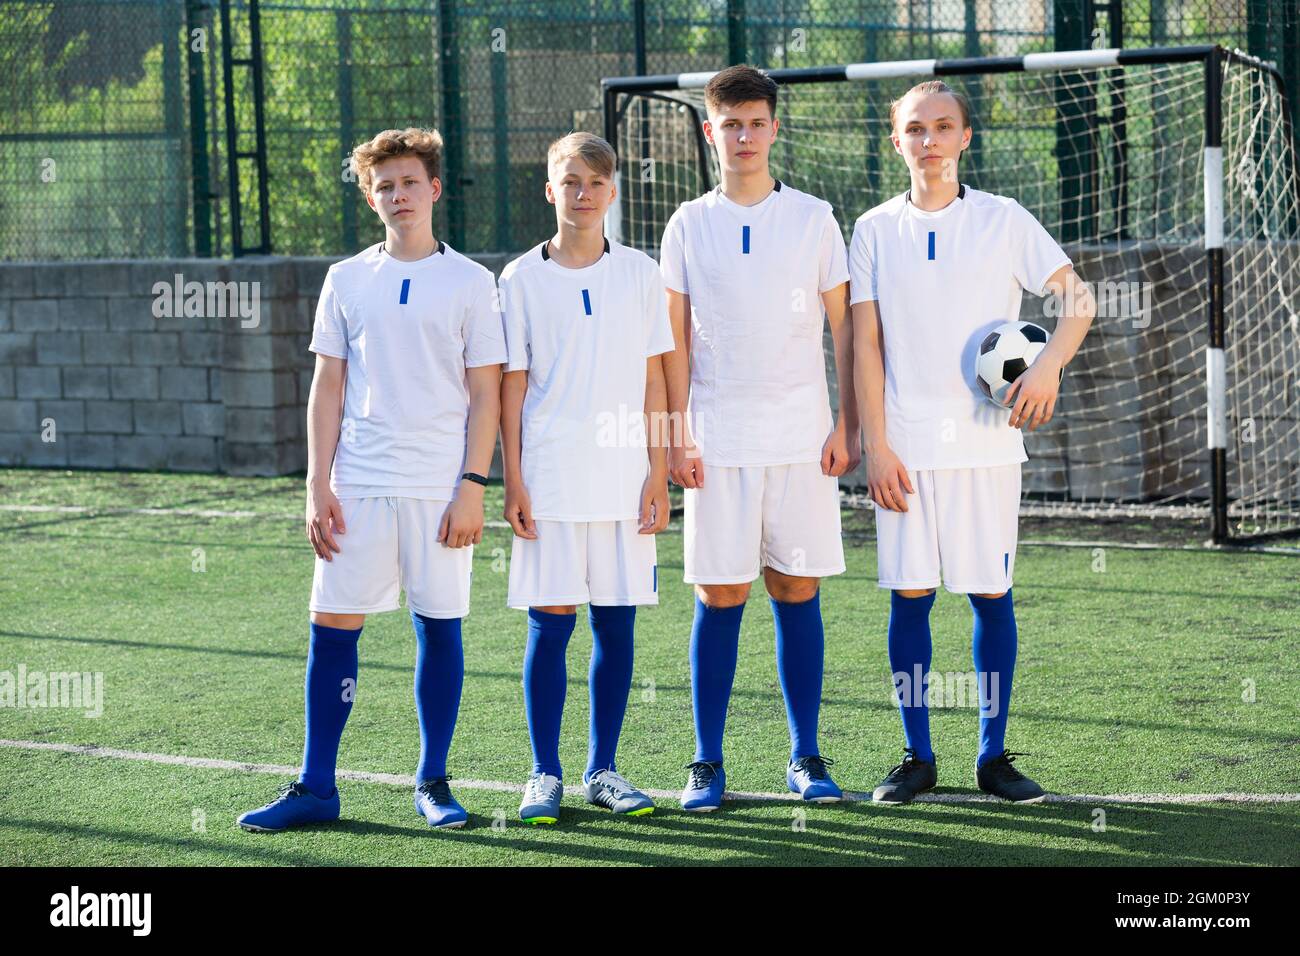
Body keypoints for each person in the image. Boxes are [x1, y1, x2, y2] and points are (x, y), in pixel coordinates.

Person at [237, 127, 505, 832]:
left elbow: (487, 395)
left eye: (410, 182)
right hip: (357, 482)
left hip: (439, 486)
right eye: (384, 185)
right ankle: (317, 787)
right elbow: (327, 388)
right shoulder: (347, 279)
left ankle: (434, 782)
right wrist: (315, 484)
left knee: (438, 626)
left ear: (434, 189)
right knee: (333, 627)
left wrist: (474, 483)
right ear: (369, 196)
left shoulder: (474, 284)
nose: (398, 195)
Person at [849, 81, 1096, 804]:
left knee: (991, 593)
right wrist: (876, 444)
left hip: (988, 442)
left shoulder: (1003, 219)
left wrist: (1048, 365)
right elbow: (865, 344)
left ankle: (993, 755)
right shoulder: (872, 229)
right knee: (910, 598)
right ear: (896, 141)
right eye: (915, 129)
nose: (929, 139)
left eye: (943, 126)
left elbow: (1076, 299)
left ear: (965, 138)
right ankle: (916, 755)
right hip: (907, 447)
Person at [658, 65, 860, 811]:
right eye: (729, 124)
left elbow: (845, 325)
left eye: (755, 122)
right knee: (721, 595)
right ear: (710, 132)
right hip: (717, 440)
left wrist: (849, 421)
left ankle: (805, 755)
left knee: (796, 589)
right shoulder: (687, 223)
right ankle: (706, 762)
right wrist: (675, 433)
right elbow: (672, 340)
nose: (743, 136)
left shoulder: (813, 216)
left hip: (802, 439)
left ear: (774, 128)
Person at [498, 132, 674, 824]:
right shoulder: (518, 278)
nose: (583, 193)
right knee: (550, 623)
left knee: (616, 621)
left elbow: (657, 379)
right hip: (550, 477)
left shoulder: (639, 273)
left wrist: (658, 472)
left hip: (625, 477)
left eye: (596, 183)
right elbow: (512, 387)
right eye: (570, 181)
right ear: (550, 190)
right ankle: (544, 773)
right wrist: (511, 480)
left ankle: (604, 769)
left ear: (612, 191)